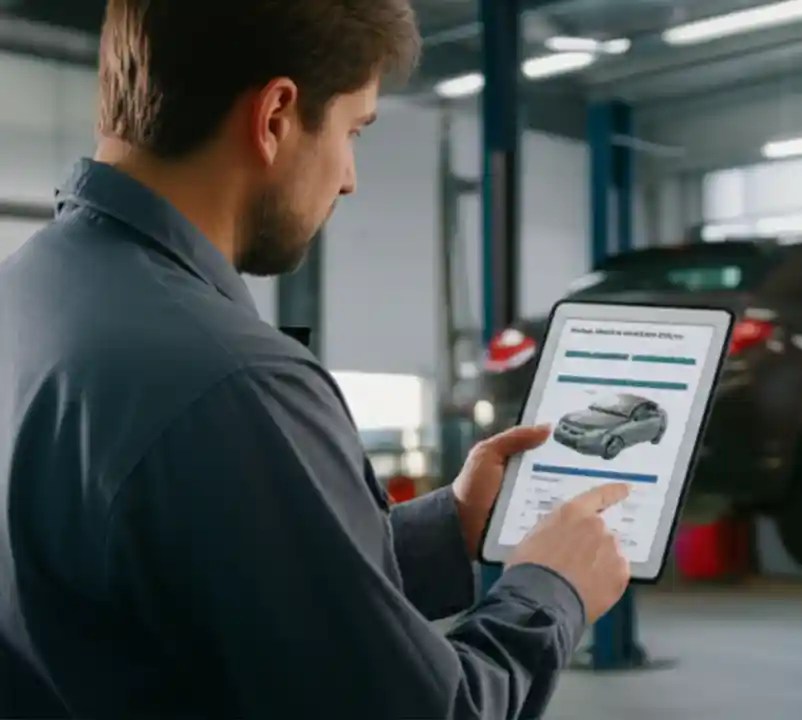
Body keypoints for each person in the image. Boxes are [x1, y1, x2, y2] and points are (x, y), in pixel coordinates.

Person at [0, 1, 631, 718]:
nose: (350, 178)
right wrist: (550, 589)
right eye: (353, 130)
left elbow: (223, 583)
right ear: (275, 116)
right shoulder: (233, 379)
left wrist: (451, 525)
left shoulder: (26, 296)